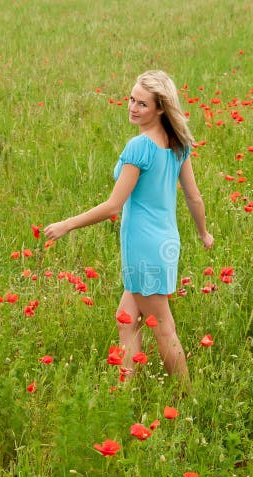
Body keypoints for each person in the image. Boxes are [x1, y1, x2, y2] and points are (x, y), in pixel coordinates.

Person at [44, 70, 213, 388]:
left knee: (163, 327)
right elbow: (193, 196)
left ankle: (187, 397)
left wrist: (67, 225)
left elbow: (113, 206)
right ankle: (125, 391)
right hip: (166, 242)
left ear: (160, 108)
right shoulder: (177, 145)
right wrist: (203, 233)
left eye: (142, 104)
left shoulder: (139, 147)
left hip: (143, 247)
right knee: (126, 319)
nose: (133, 107)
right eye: (131, 99)